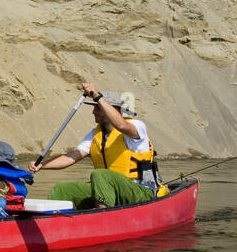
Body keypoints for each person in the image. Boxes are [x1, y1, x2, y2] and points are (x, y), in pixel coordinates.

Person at [28, 83, 167, 209]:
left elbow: (121, 125)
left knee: (100, 175)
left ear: (113, 110)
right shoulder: (95, 134)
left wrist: (97, 96)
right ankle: (54, 223)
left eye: (98, 108)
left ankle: (103, 217)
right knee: (62, 189)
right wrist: (43, 165)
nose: (93, 112)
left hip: (140, 191)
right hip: (107, 189)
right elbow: (72, 157)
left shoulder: (136, 126)